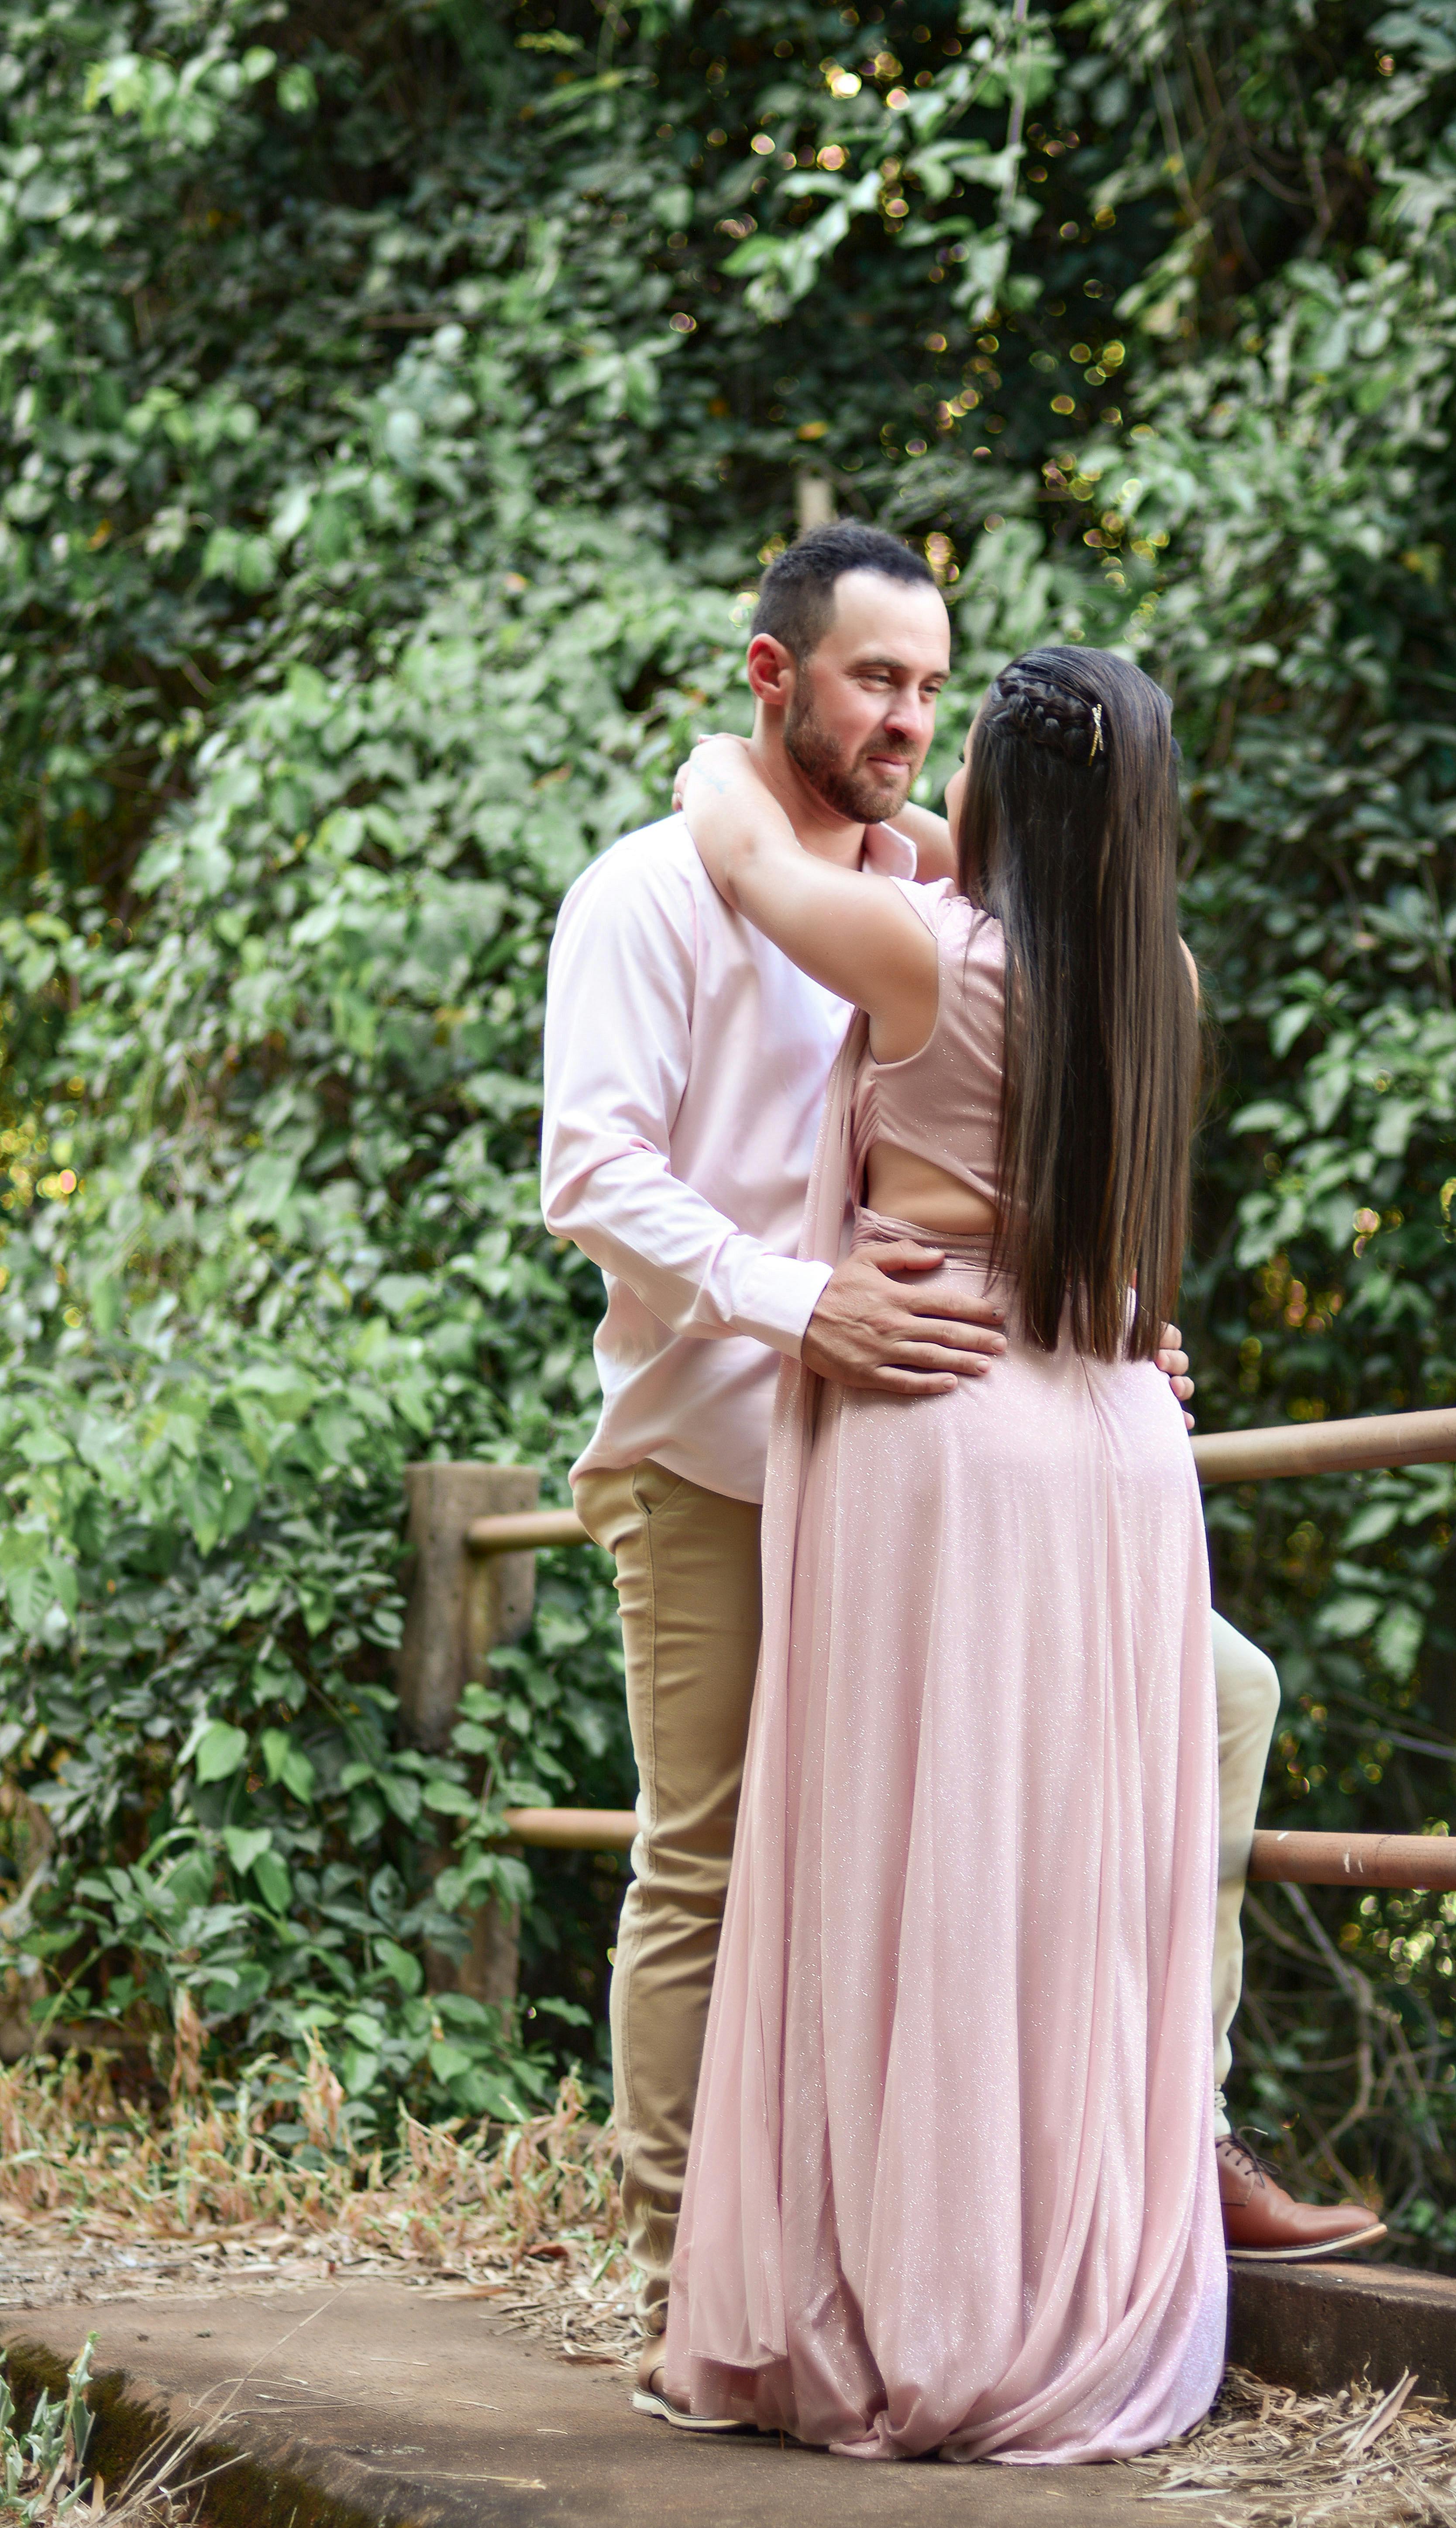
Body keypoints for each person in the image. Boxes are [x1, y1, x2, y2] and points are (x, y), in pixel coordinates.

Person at [537, 524, 1382, 2415]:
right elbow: (589, 1173)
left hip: (948, 1436)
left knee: (1153, 1743)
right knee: (725, 1848)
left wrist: (1099, 1311)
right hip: (738, 1430)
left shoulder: (931, 905)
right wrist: (799, 1299)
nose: (908, 716)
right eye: (873, 682)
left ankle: (1138, 2142)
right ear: (777, 679)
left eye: (935, 687)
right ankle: (694, 2244)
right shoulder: (662, 896)